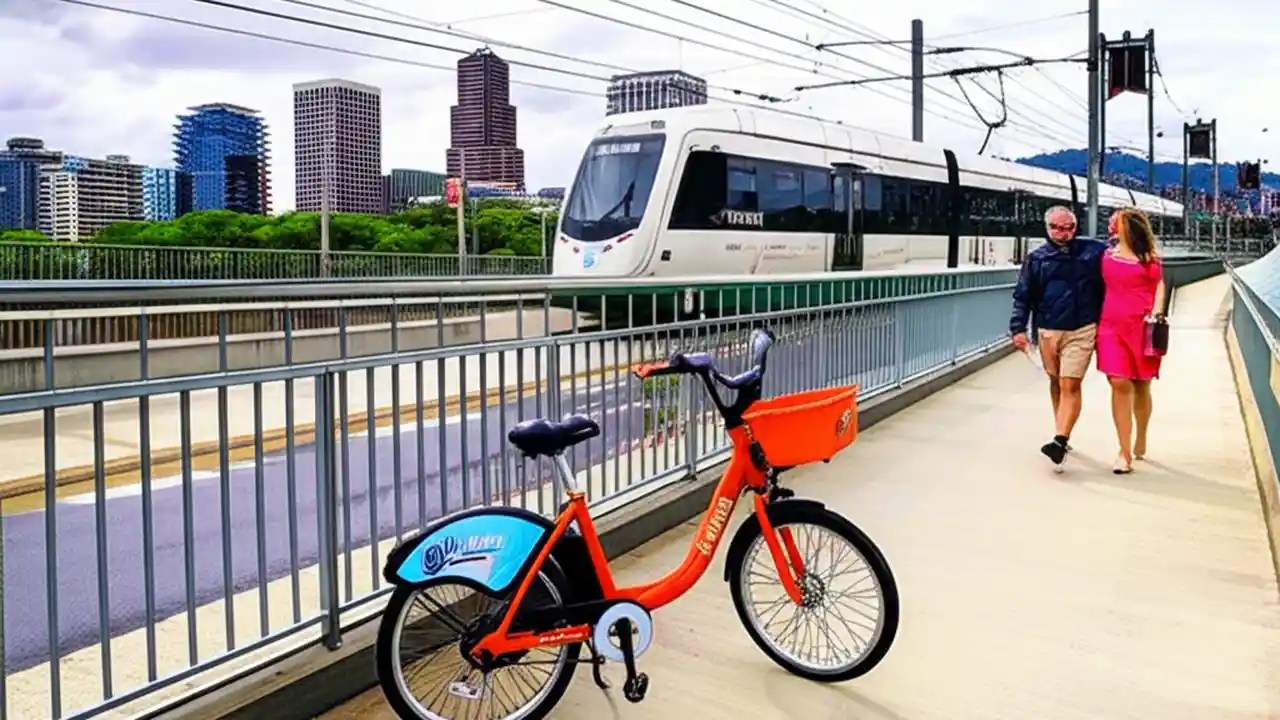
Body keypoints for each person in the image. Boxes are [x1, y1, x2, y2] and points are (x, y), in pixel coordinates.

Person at [1009, 205, 1107, 471]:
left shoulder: (1093, 251)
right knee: (1056, 381)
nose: (1062, 233)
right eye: (1056, 228)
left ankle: (1060, 440)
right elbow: (1023, 296)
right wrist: (1018, 329)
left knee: (1070, 383)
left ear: (1076, 227)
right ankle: (1061, 431)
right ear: (1047, 228)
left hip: (1082, 328)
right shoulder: (1037, 259)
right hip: (1048, 329)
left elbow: (1120, 260)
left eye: (1068, 228)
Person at [1096, 208, 1166, 474]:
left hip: (1142, 328)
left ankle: (1141, 435)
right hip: (1110, 327)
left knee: (1141, 386)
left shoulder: (1150, 261)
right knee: (1119, 381)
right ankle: (1123, 451)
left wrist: (1157, 313)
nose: (1112, 225)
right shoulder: (1105, 257)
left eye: (1118, 222)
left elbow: (1159, 286)